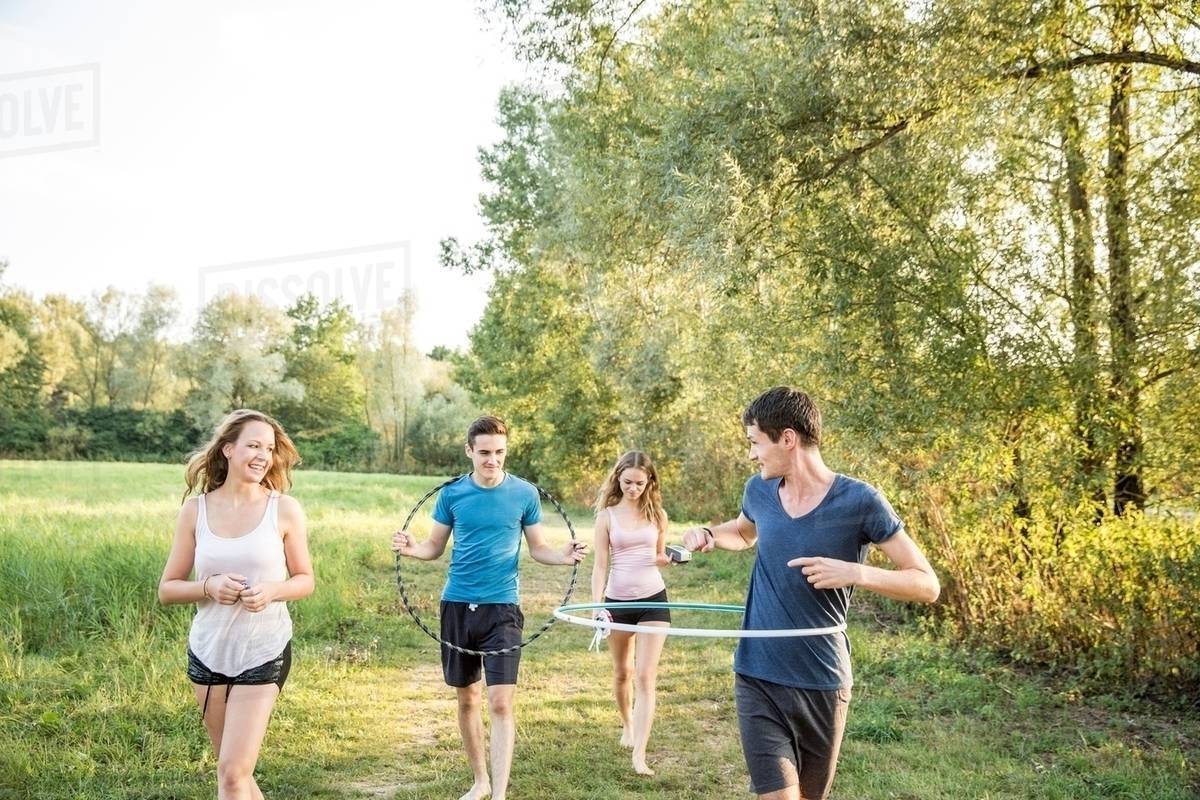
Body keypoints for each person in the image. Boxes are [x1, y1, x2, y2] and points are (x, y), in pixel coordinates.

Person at [682, 387, 939, 800]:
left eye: (754, 443)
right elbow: (743, 533)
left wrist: (856, 571)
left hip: (822, 680)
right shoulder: (759, 491)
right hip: (756, 672)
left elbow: (926, 584)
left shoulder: (860, 501)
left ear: (787, 439)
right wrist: (710, 534)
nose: (751, 455)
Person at [391, 415, 588, 800]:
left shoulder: (525, 494)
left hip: (503, 609)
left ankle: (498, 793)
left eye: (499, 452)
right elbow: (434, 547)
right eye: (484, 453)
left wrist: (562, 557)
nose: (492, 460)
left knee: (500, 700)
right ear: (469, 451)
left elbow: (538, 548)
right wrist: (412, 548)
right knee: (467, 697)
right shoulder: (451, 495)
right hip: (457, 605)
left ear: (506, 451)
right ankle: (479, 780)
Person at [158, 409, 315, 800]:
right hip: (208, 652)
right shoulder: (196, 511)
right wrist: (208, 586)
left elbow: (305, 580)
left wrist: (272, 591)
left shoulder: (284, 509)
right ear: (228, 449)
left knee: (231, 774)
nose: (263, 455)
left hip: (263, 650)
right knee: (236, 775)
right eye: (253, 445)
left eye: (269, 448)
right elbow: (168, 589)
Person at [590, 450, 672, 776]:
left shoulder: (659, 515)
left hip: (654, 599)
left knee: (645, 676)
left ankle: (640, 753)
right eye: (627, 482)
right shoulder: (606, 517)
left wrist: (669, 559)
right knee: (623, 672)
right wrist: (598, 607)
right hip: (617, 603)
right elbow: (599, 566)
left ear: (649, 481)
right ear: (618, 479)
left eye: (639, 483)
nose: (633, 488)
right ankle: (626, 723)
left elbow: (658, 556)